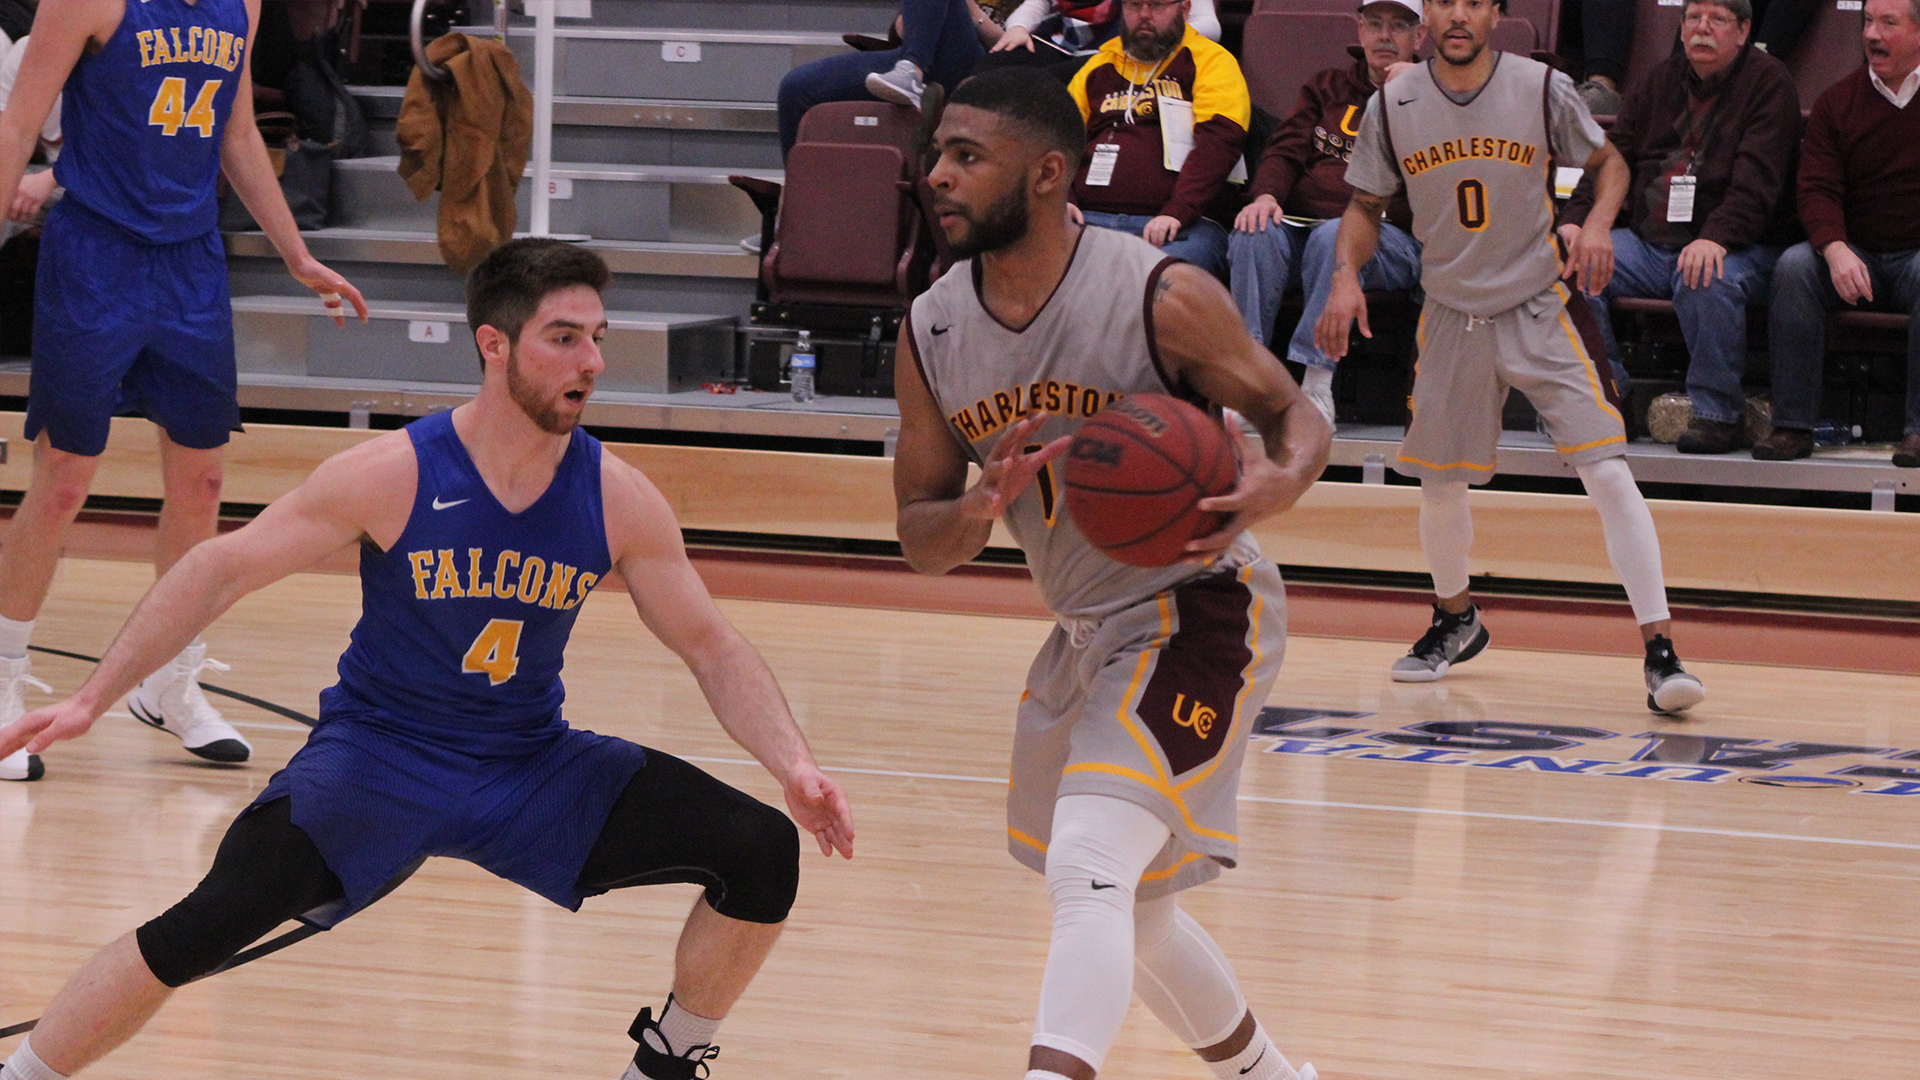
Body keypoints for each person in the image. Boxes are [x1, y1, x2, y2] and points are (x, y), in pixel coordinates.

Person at [0, 239, 856, 1080]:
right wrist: (90, 700)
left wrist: (794, 763)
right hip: (379, 759)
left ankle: (664, 1067)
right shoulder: (394, 472)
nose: (591, 360)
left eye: (599, 336)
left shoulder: (618, 496)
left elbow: (711, 645)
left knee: (761, 848)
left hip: (529, 765)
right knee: (207, 921)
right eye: (564, 337)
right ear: (495, 344)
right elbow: (221, 568)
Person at [895, 67, 1331, 1080]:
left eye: (969, 157)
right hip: (1086, 632)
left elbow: (1294, 415)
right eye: (937, 155)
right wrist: (971, 509)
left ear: (1048, 175)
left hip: (1200, 607)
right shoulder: (934, 330)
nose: (940, 177)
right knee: (1135, 920)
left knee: (1090, 866)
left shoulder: (1159, 295)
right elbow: (919, 538)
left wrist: (1279, 479)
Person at [0, 0, 370, 784]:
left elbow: (236, 133)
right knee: (65, 480)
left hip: (190, 260)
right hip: (95, 252)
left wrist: (296, 255)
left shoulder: (239, 3)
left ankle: (169, 682)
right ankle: (2, 678)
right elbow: (18, 122)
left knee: (201, 480)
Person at [1316, 0, 1708, 712]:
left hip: (1538, 304)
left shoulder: (1539, 86)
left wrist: (1594, 225)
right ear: (1427, 13)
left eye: (1473, 3)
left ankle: (1661, 650)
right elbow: (1363, 206)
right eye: (1444, 2)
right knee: (1437, 484)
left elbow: (1611, 163)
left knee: (1609, 472)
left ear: (1498, 14)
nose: (1457, 15)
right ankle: (1455, 617)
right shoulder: (1394, 101)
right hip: (1451, 311)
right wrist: (1344, 275)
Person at [1560, 0, 1801, 454]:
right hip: (1653, 242)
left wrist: (1716, 238)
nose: (1702, 29)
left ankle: (1718, 415)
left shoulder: (1770, 83)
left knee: (1705, 276)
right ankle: (1608, 402)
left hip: (1743, 245)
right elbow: (1611, 159)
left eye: (1717, 20)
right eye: (1693, 18)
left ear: (1744, 30)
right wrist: (1578, 221)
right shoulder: (1658, 80)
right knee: (1569, 264)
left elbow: (1758, 187)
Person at [1227, 0, 1426, 423]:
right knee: (1253, 232)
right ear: (1359, 31)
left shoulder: (1439, 94)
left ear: (1420, 37)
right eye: (1375, 24)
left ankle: (1317, 381)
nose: (1385, 35)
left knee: (1333, 238)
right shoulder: (1327, 87)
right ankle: (1249, 377)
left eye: (1399, 26)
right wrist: (1266, 197)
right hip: (1304, 225)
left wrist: (1426, 94)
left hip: (1391, 239)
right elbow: (1284, 151)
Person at [1755, 0, 1920, 465]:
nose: (1872, 34)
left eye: (1888, 23)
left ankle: (1918, 431)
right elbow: (1816, 188)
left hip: (1916, 259)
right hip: (1856, 253)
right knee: (1794, 267)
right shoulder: (1836, 102)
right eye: (1867, 22)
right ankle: (1792, 425)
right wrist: (1834, 248)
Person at [1064, 0, 1248, 279]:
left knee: (1160, 281)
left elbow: (1218, 145)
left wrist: (1178, 212)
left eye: (1157, 5)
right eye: (1135, 5)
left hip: (1182, 228)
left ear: (1184, 10)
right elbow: (1056, 142)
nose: (1145, 15)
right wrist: (1062, 200)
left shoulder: (1211, 61)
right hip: (1088, 220)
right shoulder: (1098, 67)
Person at [778, 0, 995, 157]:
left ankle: (912, 69)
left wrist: (974, 14)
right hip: (923, 56)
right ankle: (801, 202)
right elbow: (901, 30)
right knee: (795, 89)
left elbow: (1020, 46)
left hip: (988, 67)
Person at [979, 0, 1218, 79]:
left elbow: (1210, 26)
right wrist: (1018, 28)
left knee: (1044, 81)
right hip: (1058, 40)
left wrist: (1155, 33)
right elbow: (1036, 4)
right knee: (991, 68)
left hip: (1122, 50)